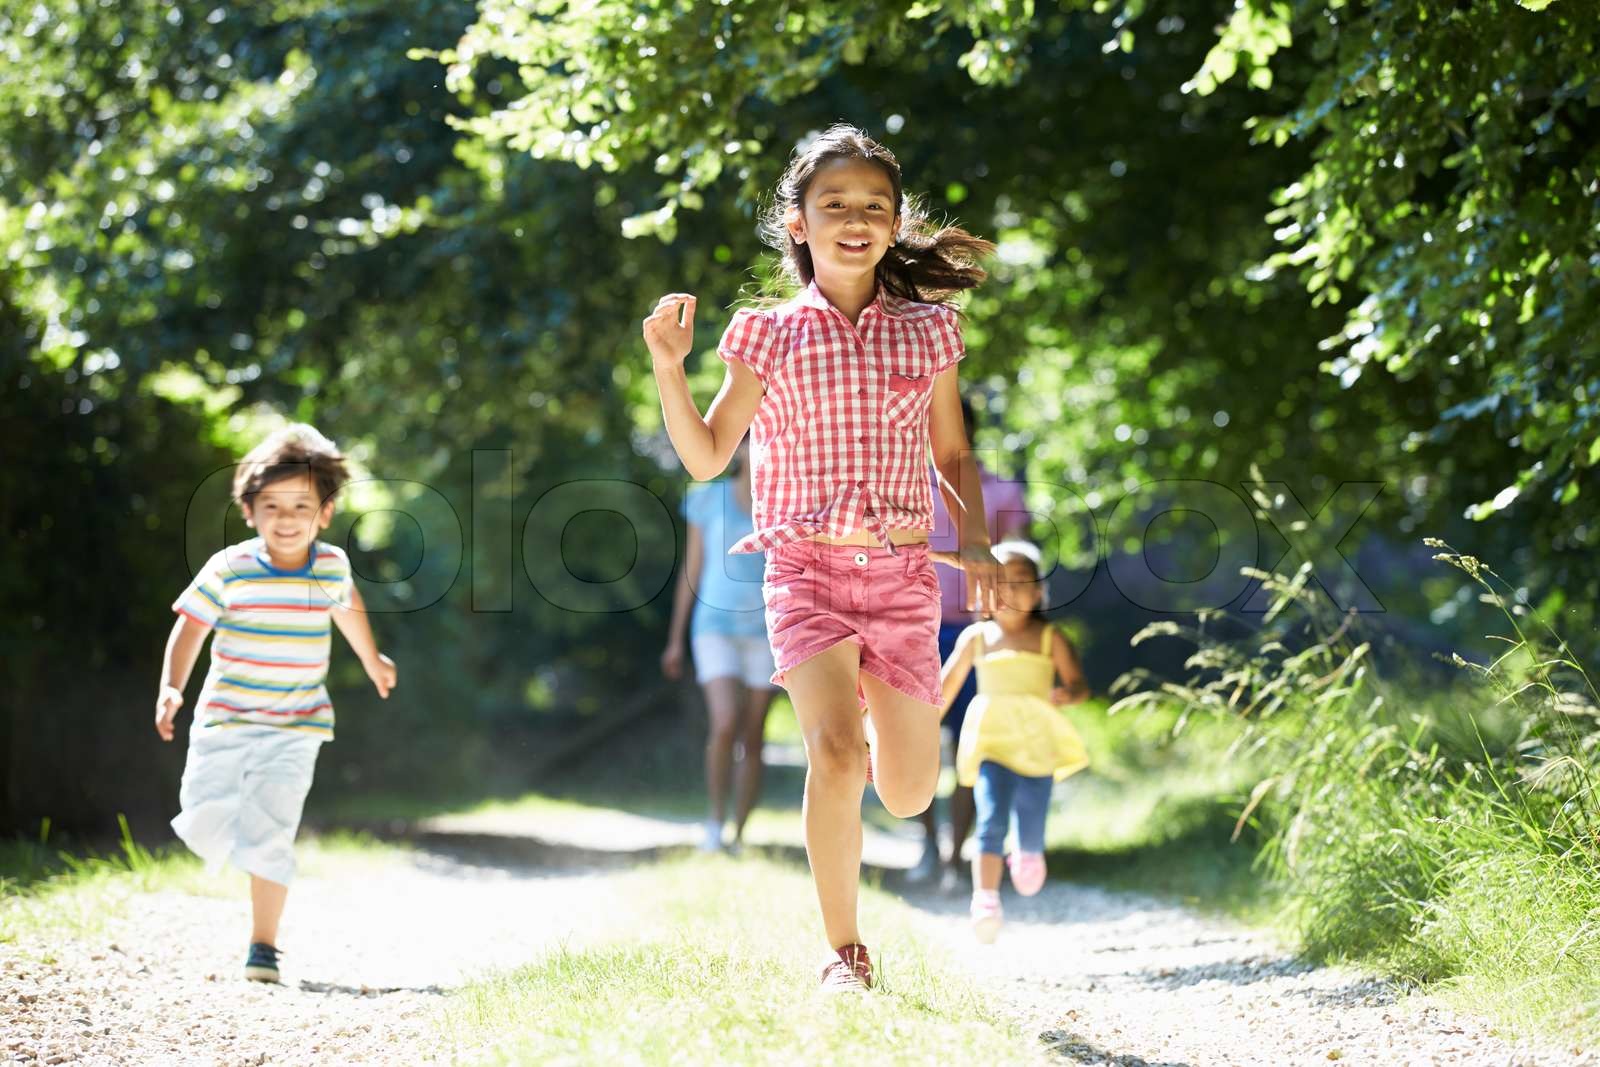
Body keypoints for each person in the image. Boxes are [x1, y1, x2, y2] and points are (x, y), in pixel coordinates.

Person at [643, 123, 1000, 992]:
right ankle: (845, 954)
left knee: (911, 789)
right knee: (836, 758)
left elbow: (953, 453)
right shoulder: (765, 334)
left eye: (874, 205)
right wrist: (666, 365)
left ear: (894, 221)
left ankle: (884, 712)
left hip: (906, 574)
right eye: (833, 203)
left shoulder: (931, 332)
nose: (855, 217)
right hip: (803, 572)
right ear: (798, 222)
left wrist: (978, 539)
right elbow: (704, 456)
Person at [154, 424, 397, 983]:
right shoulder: (229, 569)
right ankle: (237, 843)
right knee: (203, 816)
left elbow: (349, 608)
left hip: (296, 725)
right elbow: (190, 630)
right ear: (249, 511)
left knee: (272, 832)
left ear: (325, 512)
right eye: (272, 506)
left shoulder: (330, 566)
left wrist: (371, 659)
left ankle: (263, 947)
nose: (286, 518)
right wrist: (173, 686)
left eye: (301, 505)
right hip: (225, 720)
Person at [937, 541, 1090, 943]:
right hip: (991, 740)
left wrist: (1067, 695)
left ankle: (1029, 852)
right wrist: (918, 725)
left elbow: (1079, 685)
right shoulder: (976, 637)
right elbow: (945, 688)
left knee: (1031, 818)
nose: (1009, 591)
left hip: (1037, 741)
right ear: (984, 589)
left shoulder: (1049, 637)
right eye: (999, 582)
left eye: (1020, 583)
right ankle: (984, 899)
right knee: (989, 818)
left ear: (1038, 592)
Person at [909, 396, 1030, 890]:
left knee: (969, 745)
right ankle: (926, 845)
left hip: (975, 632)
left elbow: (1020, 555)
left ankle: (956, 856)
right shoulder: (907, 485)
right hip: (914, 628)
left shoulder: (1000, 493)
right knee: (915, 741)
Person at [662, 440, 779, 854]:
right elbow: (690, 571)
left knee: (754, 735)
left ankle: (739, 834)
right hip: (713, 627)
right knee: (726, 721)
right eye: (751, 440)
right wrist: (675, 639)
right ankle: (714, 821)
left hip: (768, 632)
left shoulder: (783, 503)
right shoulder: (707, 498)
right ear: (740, 448)